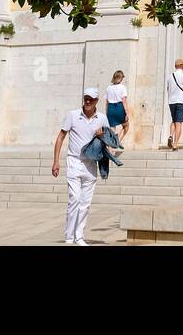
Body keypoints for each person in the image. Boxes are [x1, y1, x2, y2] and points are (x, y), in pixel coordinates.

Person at [52, 87, 109, 245]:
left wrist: (102, 135)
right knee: (75, 199)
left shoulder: (102, 118)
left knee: (85, 203)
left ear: (97, 101)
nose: (88, 101)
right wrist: (56, 161)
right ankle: (69, 238)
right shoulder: (73, 115)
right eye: (86, 98)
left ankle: (79, 236)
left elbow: (110, 142)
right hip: (74, 161)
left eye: (91, 98)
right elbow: (61, 137)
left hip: (91, 164)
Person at [165, 58, 183, 151]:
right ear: (182, 66)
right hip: (181, 102)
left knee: (174, 120)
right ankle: (175, 145)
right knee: (179, 123)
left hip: (171, 102)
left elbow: (168, 89)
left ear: (175, 66)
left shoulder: (169, 76)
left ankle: (171, 135)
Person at [105, 70, 130, 151]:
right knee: (126, 125)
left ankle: (110, 151)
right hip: (119, 108)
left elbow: (107, 102)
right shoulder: (122, 87)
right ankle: (118, 140)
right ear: (120, 78)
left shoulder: (108, 88)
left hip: (110, 109)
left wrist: (107, 113)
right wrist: (127, 113)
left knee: (112, 131)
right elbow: (124, 101)